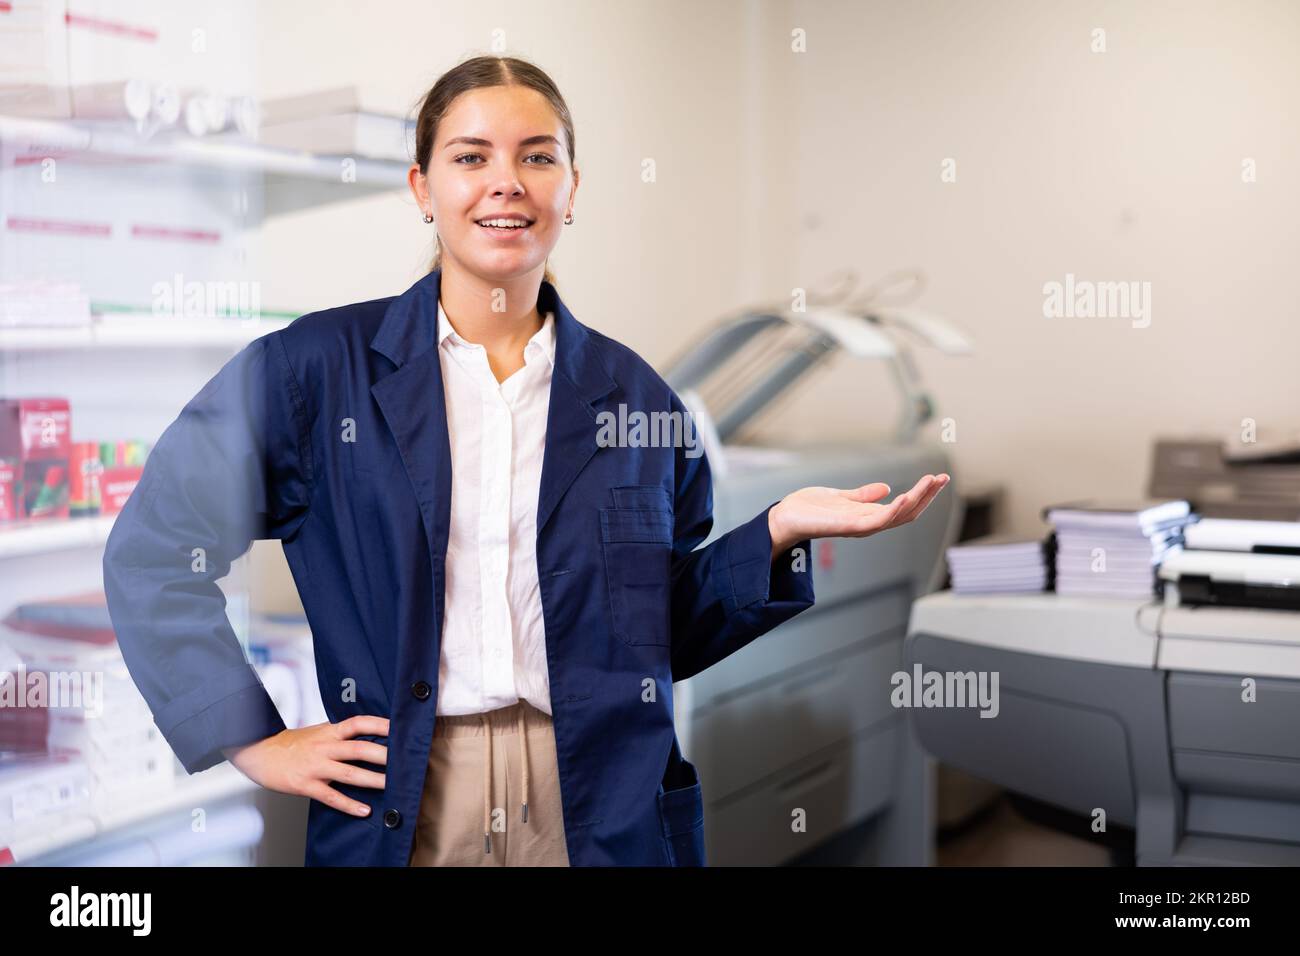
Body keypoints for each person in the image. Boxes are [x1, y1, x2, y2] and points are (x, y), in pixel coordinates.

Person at [101, 54, 949, 867]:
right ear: (422, 189)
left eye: (537, 157)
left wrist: (774, 531)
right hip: (412, 791)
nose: (506, 180)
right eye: (471, 156)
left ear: (571, 191)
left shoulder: (640, 400)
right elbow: (154, 548)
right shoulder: (313, 372)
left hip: (597, 794)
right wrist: (251, 735)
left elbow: (656, 631)